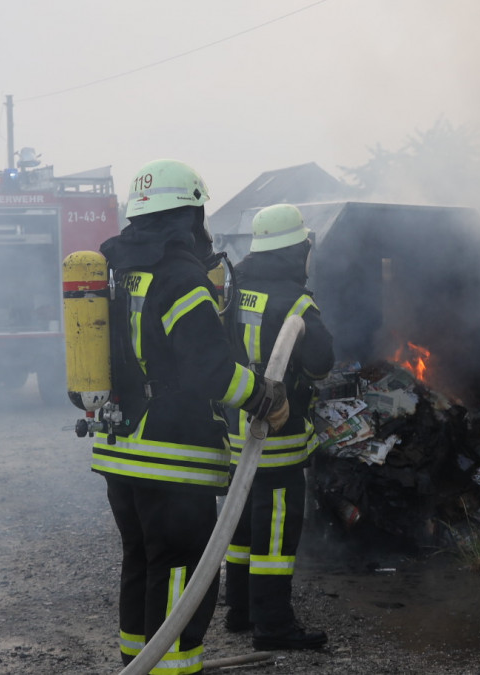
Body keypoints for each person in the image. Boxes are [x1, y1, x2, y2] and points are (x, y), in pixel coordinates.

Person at [93, 159, 289, 673]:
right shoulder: (179, 276)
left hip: (120, 450)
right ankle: (173, 669)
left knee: (142, 563)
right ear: (189, 214)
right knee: (181, 572)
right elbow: (212, 371)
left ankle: (137, 664)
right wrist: (266, 396)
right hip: (171, 456)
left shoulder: (115, 270)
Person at [223, 203, 334, 651]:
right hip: (278, 436)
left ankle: (240, 610)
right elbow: (322, 366)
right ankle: (273, 626)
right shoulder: (297, 302)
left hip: (237, 432)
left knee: (241, 525)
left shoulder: (235, 288)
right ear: (296, 249)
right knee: (274, 533)